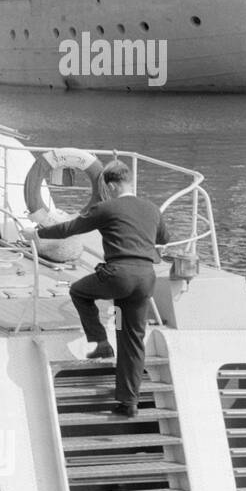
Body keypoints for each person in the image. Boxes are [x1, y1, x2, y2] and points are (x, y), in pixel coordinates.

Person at [27, 160, 168, 417]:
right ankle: (129, 402)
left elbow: (71, 228)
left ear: (112, 185)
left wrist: (39, 235)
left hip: (118, 277)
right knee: (131, 338)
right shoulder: (152, 208)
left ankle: (100, 341)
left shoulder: (107, 208)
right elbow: (164, 239)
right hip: (145, 280)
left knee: (80, 291)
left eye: (107, 187)